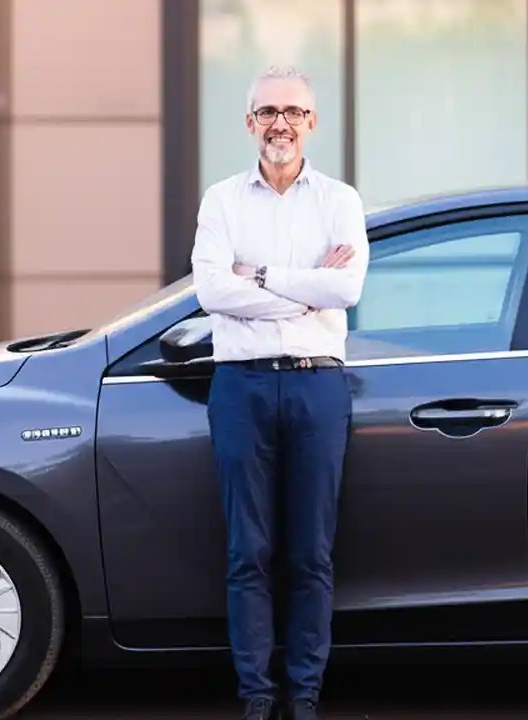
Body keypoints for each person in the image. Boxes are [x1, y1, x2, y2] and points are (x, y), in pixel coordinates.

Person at [189, 65, 369, 720]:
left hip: (318, 385)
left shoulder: (340, 201)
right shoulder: (222, 202)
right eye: (268, 112)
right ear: (249, 124)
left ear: (312, 123)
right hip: (241, 387)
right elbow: (212, 292)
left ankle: (305, 695)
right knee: (248, 551)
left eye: (293, 112)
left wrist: (260, 277)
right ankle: (257, 697)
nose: (280, 124)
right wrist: (300, 289)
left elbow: (345, 290)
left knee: (310, 552)